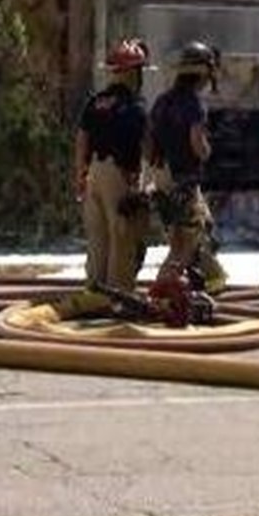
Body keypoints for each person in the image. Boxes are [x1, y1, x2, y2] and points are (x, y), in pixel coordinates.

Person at [71, 38, 152, 311]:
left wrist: (80, 175)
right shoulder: (135, 107)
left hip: (93, 172)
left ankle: (94, 292)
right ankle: (119, 297)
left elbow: (81, 139)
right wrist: (143, 184)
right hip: (119, 175)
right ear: (132, 73)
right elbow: (144, 147)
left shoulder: (95, 103)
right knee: (122, 236)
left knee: (97, 237)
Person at [146, 39, 229, 297]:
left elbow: (148, 140)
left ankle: (209, 284)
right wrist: (207, 151)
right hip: (183, 179)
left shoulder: (162, 100)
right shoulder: (194, 103)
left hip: (163, 175)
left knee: (201, 229)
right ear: (203, 72)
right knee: (185, 242)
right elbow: (197, 143)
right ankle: (160, 293)